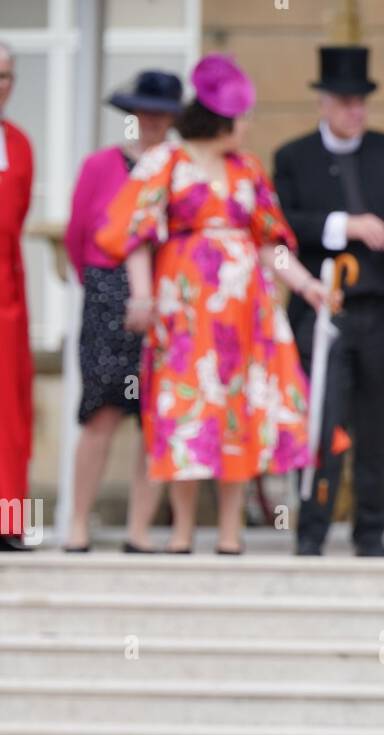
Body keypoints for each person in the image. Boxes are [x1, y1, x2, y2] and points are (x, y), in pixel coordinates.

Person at [96, 54, 333, 556]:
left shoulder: (247, 170)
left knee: (237, 413)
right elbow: (134, 233)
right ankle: (182, 530)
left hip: (245, 315)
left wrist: (308, 284)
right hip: (183, 309)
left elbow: (271, 243)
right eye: (244, 117)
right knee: (185, 412)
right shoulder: (167, 162)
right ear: (222, 118)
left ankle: (230, 532)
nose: (248, 127)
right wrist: (140, 295)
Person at [273, 45, 384, 557]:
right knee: (323, 420)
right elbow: (280, 226)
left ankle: (371, 532)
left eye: (362, 101)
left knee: (377, 420)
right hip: (324, 309)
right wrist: (345, 227)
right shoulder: (293, 157)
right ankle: (312, 531)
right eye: (345, 101)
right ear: (323, 102)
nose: (355, 111)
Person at [64, 70, 183, 553]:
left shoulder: (181, 170)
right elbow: (76, 235)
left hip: (170, 294)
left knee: (158, 417)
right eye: (144, 111)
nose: (151, 120)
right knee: (102, 412)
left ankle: (139, 530)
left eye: (161, 113)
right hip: (107, 294)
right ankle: (76, 523)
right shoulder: (99, 166)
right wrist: (103, 286)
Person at [0, 39, 33, 551]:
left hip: (6, 295)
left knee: (10, 413)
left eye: (6, 76)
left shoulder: (19, 143)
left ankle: (8, 521)